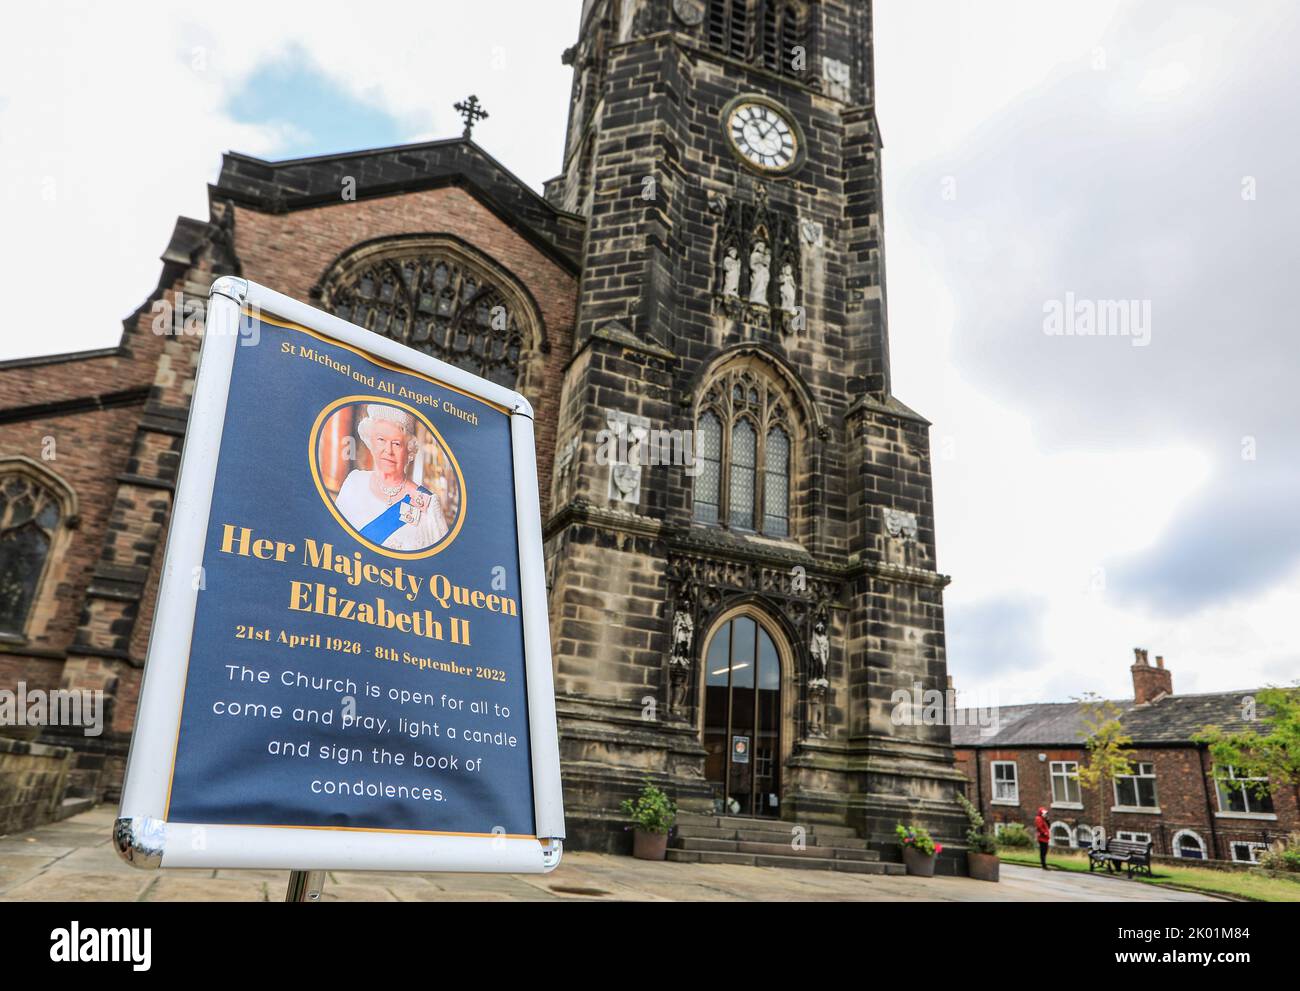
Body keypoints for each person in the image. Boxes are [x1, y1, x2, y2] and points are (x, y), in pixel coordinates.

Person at [334, 405, 448, 551]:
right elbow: (332, 539)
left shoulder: (428, 503)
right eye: (381, 440)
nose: (388, 451)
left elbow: (443, 565)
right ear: (371, 443)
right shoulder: (354, 482)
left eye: (396, 443)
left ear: (409, 450)